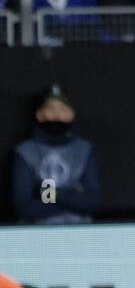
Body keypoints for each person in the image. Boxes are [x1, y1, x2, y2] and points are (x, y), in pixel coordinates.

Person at [12, 84, 102, 226]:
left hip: (81, 232)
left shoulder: (84, 150)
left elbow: (93, 202)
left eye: (62, 109)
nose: (57, 115)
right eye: (51, 109)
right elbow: (24, 206)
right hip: (34, 235)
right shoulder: (25, 152)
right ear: (40, 115)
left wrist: (47, 193)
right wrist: (73, 197)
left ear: (71, 114)